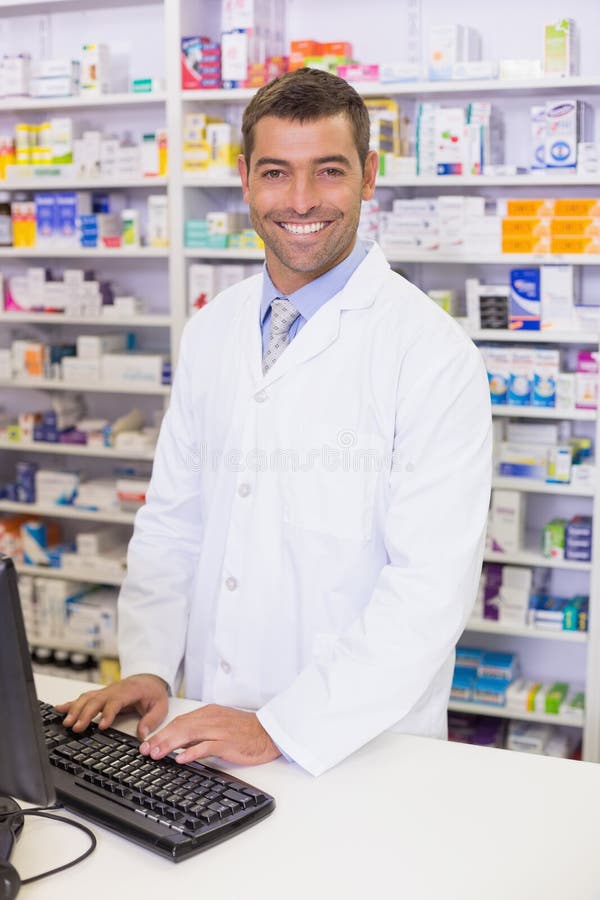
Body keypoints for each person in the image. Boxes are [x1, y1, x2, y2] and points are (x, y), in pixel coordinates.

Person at [58, 68, 492, 777]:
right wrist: (149, 666)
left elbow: (428, 590)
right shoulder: (211, 331)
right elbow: (173, 522)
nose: (300, 201)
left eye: (328, 171)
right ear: (243, 179)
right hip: (196, 730)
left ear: (369, 176)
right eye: (275, 172)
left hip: (357, 747)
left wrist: (281, 728)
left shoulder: (433, 356)